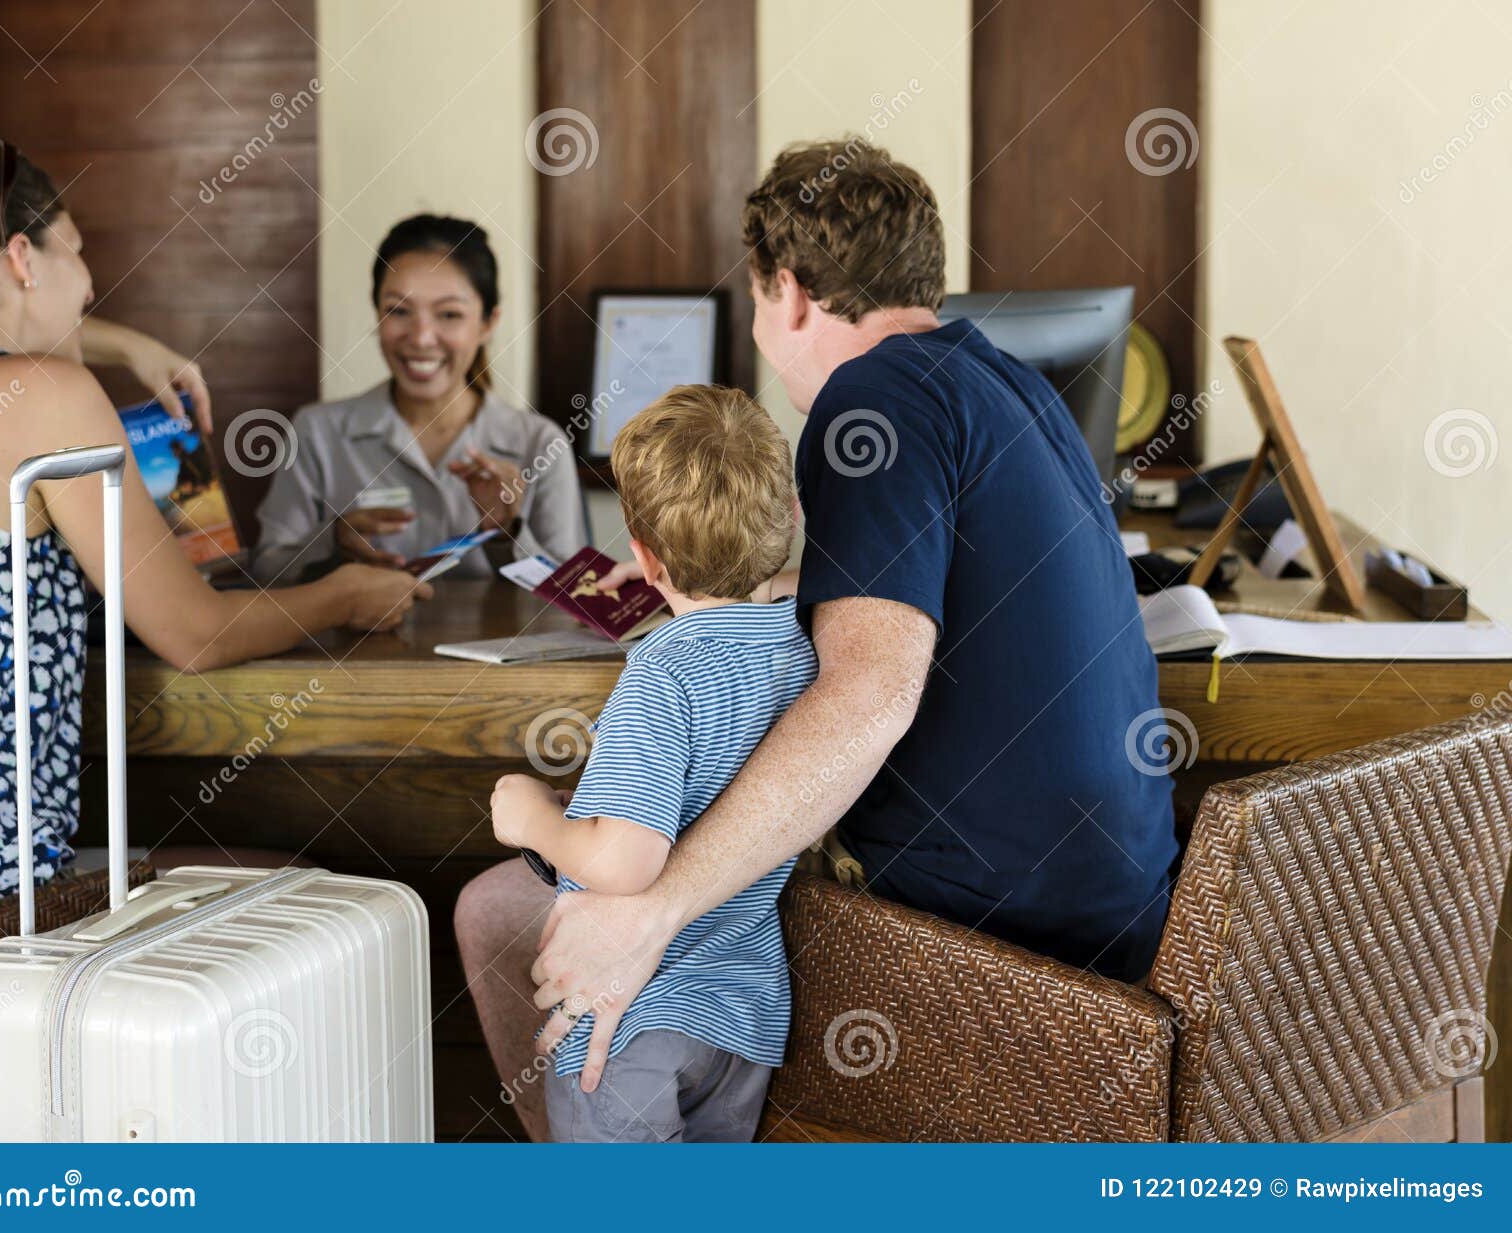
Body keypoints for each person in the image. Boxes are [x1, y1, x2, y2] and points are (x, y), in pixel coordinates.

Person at [456, 140, 1180, 1136]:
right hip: (1110, 899)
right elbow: (945, 585)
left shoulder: (868, 399)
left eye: (757, 305)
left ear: (789, 293)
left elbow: (868, 695)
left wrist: (650, 914)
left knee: (502, 908)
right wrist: (750, 583)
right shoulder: (1006, 386)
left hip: (985, 923)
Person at [0, 143, 430, 922]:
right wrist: (346, 596)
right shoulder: (46, 397)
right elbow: (196, 632)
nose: (89, 286)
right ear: (23, 256)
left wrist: (120, 343)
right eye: (78, 255)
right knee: (332, 900)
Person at [488, 385, 814, 1142]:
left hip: (631, 1021)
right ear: (792, 518)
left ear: (641, 553)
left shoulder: (663, 672)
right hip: (742, 1021)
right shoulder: (799, 649)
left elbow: (627, 861)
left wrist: (532, 816)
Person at [249, 215, 587, 584]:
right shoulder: (317, 432)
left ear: (488, 323)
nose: (422, 337)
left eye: (449, 314)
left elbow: (576, 596)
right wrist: (333, 543)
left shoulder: (539, 443)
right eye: (398, 311)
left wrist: (508, 533)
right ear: (377, 314)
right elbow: (267, 571)